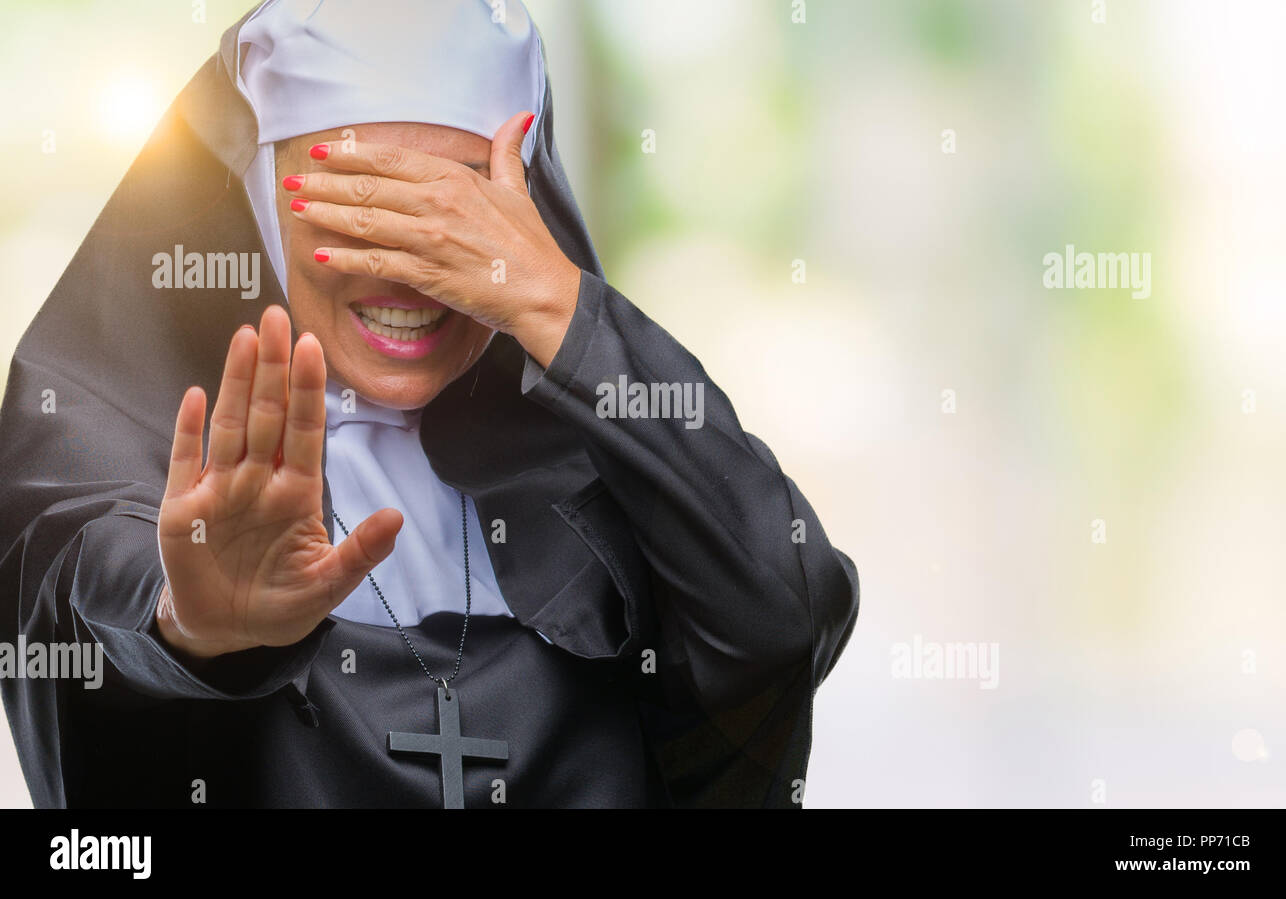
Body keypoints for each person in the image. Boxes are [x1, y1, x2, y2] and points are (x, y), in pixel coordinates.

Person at [0, 0, 858, 808]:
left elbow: (781, 617)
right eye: (354, 203)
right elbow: (69, 617)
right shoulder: (122, 434)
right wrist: (186, 623)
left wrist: (560, 309)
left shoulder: (616, 459)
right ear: (262, 200)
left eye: (453, 213)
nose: (404, 269)